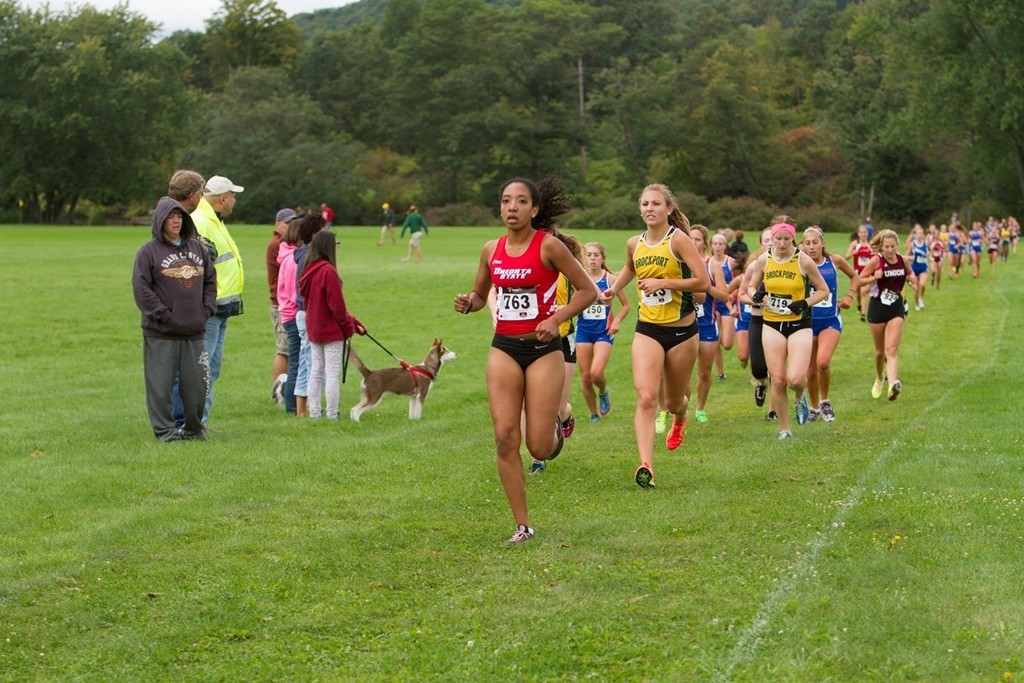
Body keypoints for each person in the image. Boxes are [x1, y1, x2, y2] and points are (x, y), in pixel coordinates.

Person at [453, 176, 596, 543]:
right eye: (506, 201)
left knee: (539, 447)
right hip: (504, 348)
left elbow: (588, 291)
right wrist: (469, 303)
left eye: (520, 201)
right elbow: (481, 295)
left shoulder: (549, 246)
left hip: (543, 351)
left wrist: (556, 318)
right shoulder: (491, 250)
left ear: (534, 209)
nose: (511, 207)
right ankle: (523, 525)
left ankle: (558, 424)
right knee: (504, 438)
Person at [599, 184, 709, 487]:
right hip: (648, 329)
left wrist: (665, 283)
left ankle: (680, 417)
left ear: (668, 209)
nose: (649, 208)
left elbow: (703, 281)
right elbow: (630, 268)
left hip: (682, 332)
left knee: (673, 401)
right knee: (647, 398)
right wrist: (613, 289)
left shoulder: (679, 240)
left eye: (656, 204)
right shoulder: (634, 243)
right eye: (645, 204)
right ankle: (646, 464)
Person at [132, 197, 216, 441]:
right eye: (170, 217)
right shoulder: (148, 252)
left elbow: (210, 280)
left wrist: (206, 309)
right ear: (160, 220)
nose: (176, 221)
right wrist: (163, 314)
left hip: (194, 330)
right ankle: (165, 431)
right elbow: (141, 288)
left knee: (197, 385)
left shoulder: (197, 249)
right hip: (162, 332)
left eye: (179, 216)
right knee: (160, 387)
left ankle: (193, 429)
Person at [746, 218, 830, 440]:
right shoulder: (764, 260)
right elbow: (751, 286)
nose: (782, 243)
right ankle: (785, 429)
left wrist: (805, 302)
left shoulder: (803, 261)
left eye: (786, 239)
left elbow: (823, 290)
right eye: (778, 239)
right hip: (771, 323)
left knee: (795, 379)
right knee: (778, 380)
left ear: (793, 238)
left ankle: (800, 396)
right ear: (772, 238)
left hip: (799, 325)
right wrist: (756, 295)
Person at [173, 175, 245, 427]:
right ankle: (190, 422)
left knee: (211, 369)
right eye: (233, 195)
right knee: (200, 368)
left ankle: (198, 421)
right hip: (210, 308)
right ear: (223, 198)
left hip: (221, 306)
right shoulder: (202, 221)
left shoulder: (213, 220)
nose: (234, 200)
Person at [299, 230, 365, 420]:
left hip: (314, 327)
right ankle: (332, 413)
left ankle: (315, 412)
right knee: (332, 373)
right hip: (330, 329)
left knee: (316, 371)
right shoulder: (328, 271)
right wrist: (348, 327)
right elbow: (337, 306)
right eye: (336, 244)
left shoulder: (309, 269)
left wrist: (353, 323)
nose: (337, 248)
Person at [801, 226, 858, 422]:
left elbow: (854, 276)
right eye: (807, 243)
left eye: (815, 242)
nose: (811, 247)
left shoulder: (834, 261)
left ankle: (825, 401)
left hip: (830, 321)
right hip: (807, 323)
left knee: (823, 363)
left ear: (822, 243)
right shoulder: (800, 264)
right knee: (810, 371)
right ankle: (814, 408)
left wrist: (850, 296)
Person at [575, 242, 630, 424]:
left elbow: (626, 305)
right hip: (583, 332)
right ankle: (593, 414)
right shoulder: (579, 279)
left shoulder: (611, 280)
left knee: (596, 373)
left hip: (604, 332)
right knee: (585, 377)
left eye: (596, 255)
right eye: (588, 255)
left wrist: (616, 321)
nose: (592, 258)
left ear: (602, 259)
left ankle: (603, 392)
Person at [859, 229, 917, 401]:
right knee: (879, 352)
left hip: (896, 307)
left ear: (897, 245)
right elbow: (859, 280)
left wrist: (911, 279)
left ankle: (893, 385)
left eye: (893, 246)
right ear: (881, 247)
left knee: (891, 350)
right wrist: (873, 278)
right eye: (887, 247)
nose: (890, 250)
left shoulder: (902, 260)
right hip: (877, 308)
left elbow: (910, 272)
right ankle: (879, 378)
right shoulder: (876, 261)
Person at [690, 225, 731, 424]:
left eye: (697, 239)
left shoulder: (712, 265)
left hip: (707, 324)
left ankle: (700, 408)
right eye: (689, 239)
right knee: (680, 373)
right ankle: (680, 407)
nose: (692, 243)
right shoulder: (678, 264)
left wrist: (706, 287)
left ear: (704, 243)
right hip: (683, 326)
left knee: (704, 372)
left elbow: (724, 295)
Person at [293, 214, 327, 418]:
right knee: (310, 363)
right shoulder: (308, 258)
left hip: (305, 312)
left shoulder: (306, 255)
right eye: (323, 231)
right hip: (308, 313)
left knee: (309, 361)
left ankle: (306, 408)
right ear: (314, 234)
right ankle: (305, 410)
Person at [267, 208, 296, 395]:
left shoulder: (286, 242)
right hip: (281, 303)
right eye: (287, 223)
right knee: (284, 350)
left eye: (293, 223)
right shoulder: (278, 244)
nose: (291, 226)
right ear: (278, 224)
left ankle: (286, 390)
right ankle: (278, 391)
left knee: (288, 348)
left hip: (285, 302)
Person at [277, 218, 302, 414]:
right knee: (297, 362)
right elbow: (295, 294)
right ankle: (293, 405)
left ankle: (293, 404)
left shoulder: (287, 256)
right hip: (293, 315)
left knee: (296, 360)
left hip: (287, 314)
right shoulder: (293, 260)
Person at [709, 232, 736, 380]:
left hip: (728, 305)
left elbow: (740, 283)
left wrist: (730, 294)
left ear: (725, 246)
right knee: (715, 340)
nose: (718, 247)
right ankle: (721, 373)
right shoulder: (708, 263)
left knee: (727, 344)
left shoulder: (731, 263)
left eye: (720, 244)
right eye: (715, 244)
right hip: (714, 304)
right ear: (711, 246)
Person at [846, 225, 873, 321]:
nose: (863, 234)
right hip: (858, 272)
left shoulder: (871, 244)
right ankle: (859, 304)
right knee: (858, 293)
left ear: (868, 234)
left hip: (868, 271)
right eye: (861, 232)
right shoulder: (855, 243)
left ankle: (863, 314)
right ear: (858, 234)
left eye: (865, 232)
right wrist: (854, 252)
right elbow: (846, 256)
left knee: (863, 292)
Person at [905, 224, 929, 310]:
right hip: (914, 269)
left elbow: (930, 252)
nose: (919, 235)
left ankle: (921, 298)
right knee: (916, 289)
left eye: (921, 233)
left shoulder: (926, 243)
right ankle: (917, 304)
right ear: (915, 235)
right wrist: (911, 257)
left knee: (922, 284)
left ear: (923, 234)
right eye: (918, 234)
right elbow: (906, 256)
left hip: (923, 268)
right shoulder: (912, 244)